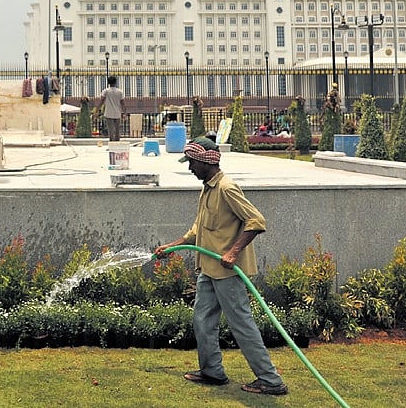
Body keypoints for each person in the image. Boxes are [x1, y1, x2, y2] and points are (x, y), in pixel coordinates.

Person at [154, 137, 289, 397]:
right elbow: (197, 231)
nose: (190, 168)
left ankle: (270, 380)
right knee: (203, 320)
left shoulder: (227, 188)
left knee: (241, 325)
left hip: (227, 273)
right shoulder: (207, 189)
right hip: (208, 269)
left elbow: (256, 221)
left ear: (205, 161)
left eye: (192, 162)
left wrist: (233, 252)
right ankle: (212, 372)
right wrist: (172, 246)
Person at [95, 75, 126, 142]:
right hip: (117, 113)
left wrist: (96, 111)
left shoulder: (105, 91)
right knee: (117, 131)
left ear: (108, 83)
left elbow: (101, 102)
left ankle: (112, 143)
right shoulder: (120, 92)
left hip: (108, 113)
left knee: (111, 131)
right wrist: (124, 113)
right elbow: (122, 103)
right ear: (115, 82)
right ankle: (117, 143)